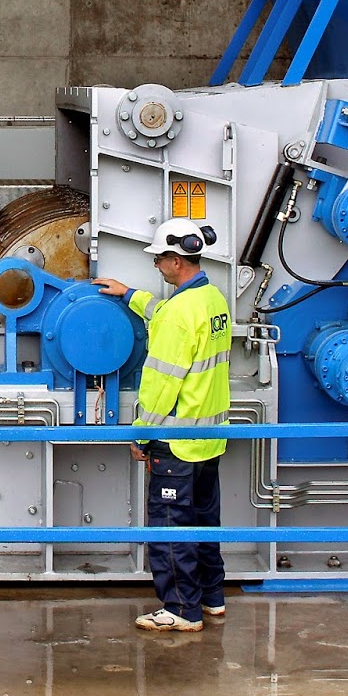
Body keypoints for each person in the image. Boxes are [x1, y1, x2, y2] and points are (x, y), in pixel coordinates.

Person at [93, 219, 232, 633]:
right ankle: (211, 599)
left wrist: (140, 434)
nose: (155, 264)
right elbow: (168, 315)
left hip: (175, 441)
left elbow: (158, 387)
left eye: (159, 258)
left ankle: (180, 610)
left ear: (176, 260)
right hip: (210, 439)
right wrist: (131, 295)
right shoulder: (212, 300)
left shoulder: (178, 315)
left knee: (171, 527)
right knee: (204, 524)